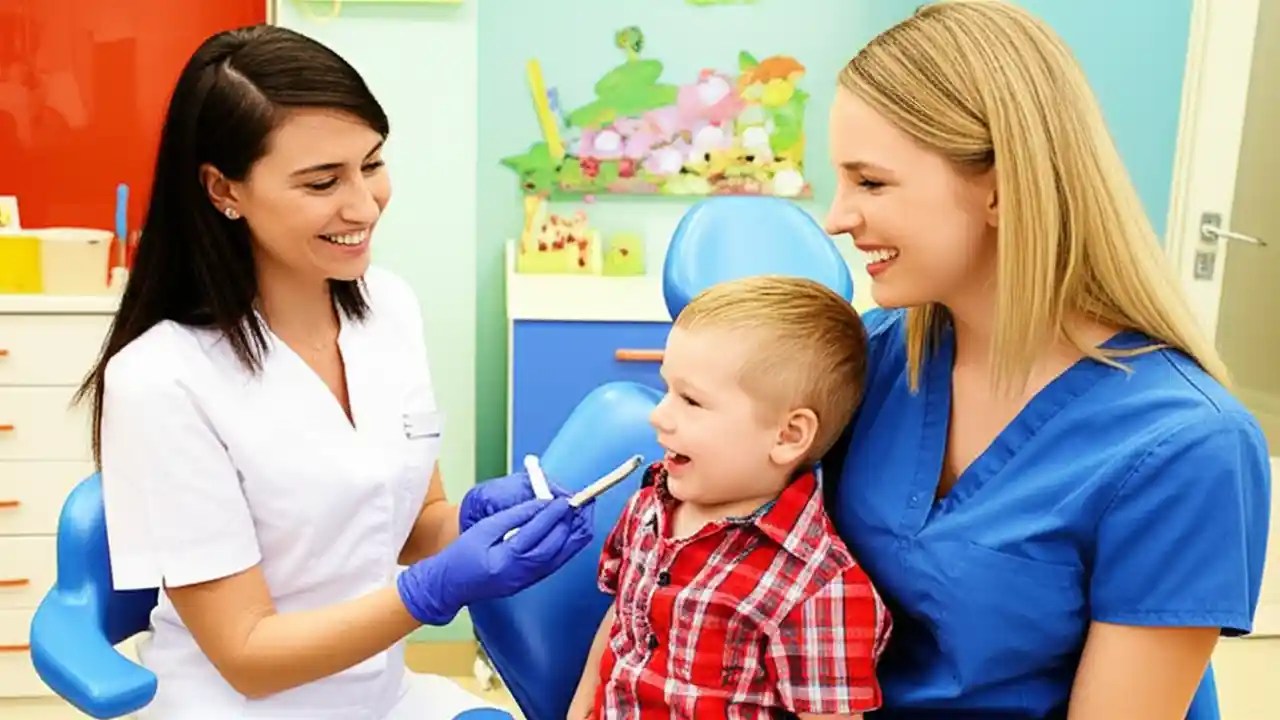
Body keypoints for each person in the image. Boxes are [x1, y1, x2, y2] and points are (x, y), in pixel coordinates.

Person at [78, 25, 593, 719]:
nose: (364, 205)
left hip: (382, 695)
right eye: (322, 182)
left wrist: (473, 521)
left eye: (372, 165)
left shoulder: (390, 310)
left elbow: (413, 526)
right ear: (223, 188)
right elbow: (249, 656)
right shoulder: (162, 380)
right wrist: (432, 592)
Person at [818, 2, 1272, 718]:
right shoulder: (873, 361)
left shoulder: (1186, 446)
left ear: (1001, 186)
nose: (836, 216)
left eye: (871, 183)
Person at [567, 276, 894, 720]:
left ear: (788, 435)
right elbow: (623, 625)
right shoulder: (649, 508)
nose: (659, 415)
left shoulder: (817, 588)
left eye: (692, 401)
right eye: (667, 389)